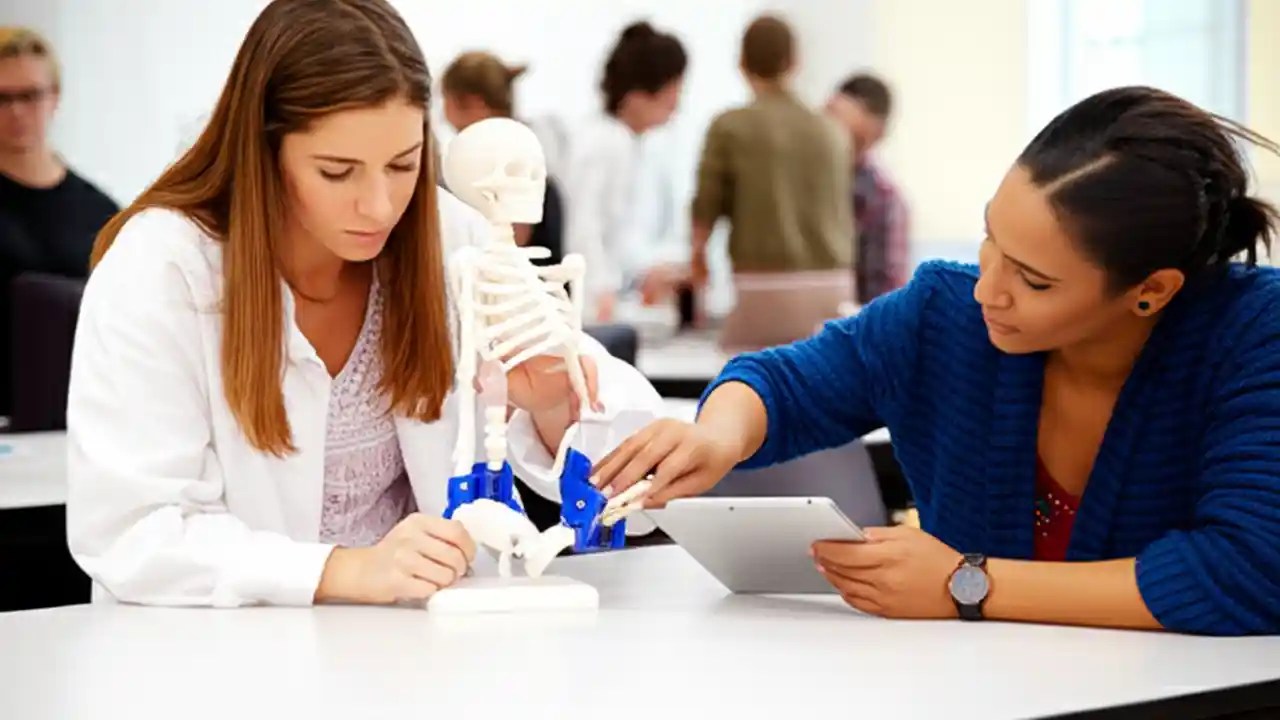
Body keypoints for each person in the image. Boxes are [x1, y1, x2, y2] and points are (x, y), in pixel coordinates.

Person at [593, 86, 1280, 637]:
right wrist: (718, 436)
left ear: (1151, 291)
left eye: (1034, 281)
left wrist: (966, 583)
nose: (989, 289)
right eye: (990, 238)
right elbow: (780, 383)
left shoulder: (1252, 337)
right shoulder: (944, 314)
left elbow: (1251, 572)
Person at [65, 0, 662, 609]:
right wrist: (343, 571)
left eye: (402, 165)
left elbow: (643, 492)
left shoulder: (450, 237)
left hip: (415, 659)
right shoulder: (162, 266)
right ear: (264, 151)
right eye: (336, 171)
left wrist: (556, 407)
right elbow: (131, 533)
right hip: (215, 668)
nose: (379, 206)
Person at [691, 15, 853, 351]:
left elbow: (705, 209)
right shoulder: (832, 130)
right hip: (835, 288)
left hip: (762, 291)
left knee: (734, 376)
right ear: (794, 62)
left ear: (742, 62)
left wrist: (697, 264)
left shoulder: (729, 127)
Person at [0, 27, 117, 418]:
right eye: (2, 98)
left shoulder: (99, 212)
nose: (16, 111)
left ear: (55, 98)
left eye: (29, 96)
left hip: (74, 416)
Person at [564, 21, 687, 322]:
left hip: (602, 294)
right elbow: (584, 226)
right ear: (639, 94)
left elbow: (617, 236)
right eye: (673, 90)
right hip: (590, 303)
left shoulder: (622, 141)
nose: (677, 102)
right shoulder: (606, 143)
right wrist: (601, 289)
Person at [441, 51, 564, 267]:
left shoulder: (508, 160)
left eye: (445, 100)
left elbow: (510, 244)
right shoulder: (529, 147)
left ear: (473, 102)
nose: (442, 113)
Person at [827, 73, 909, 305]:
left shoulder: (883, 200)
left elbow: (885, 298)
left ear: (878, 135)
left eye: (853, 139)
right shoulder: (793, 182)